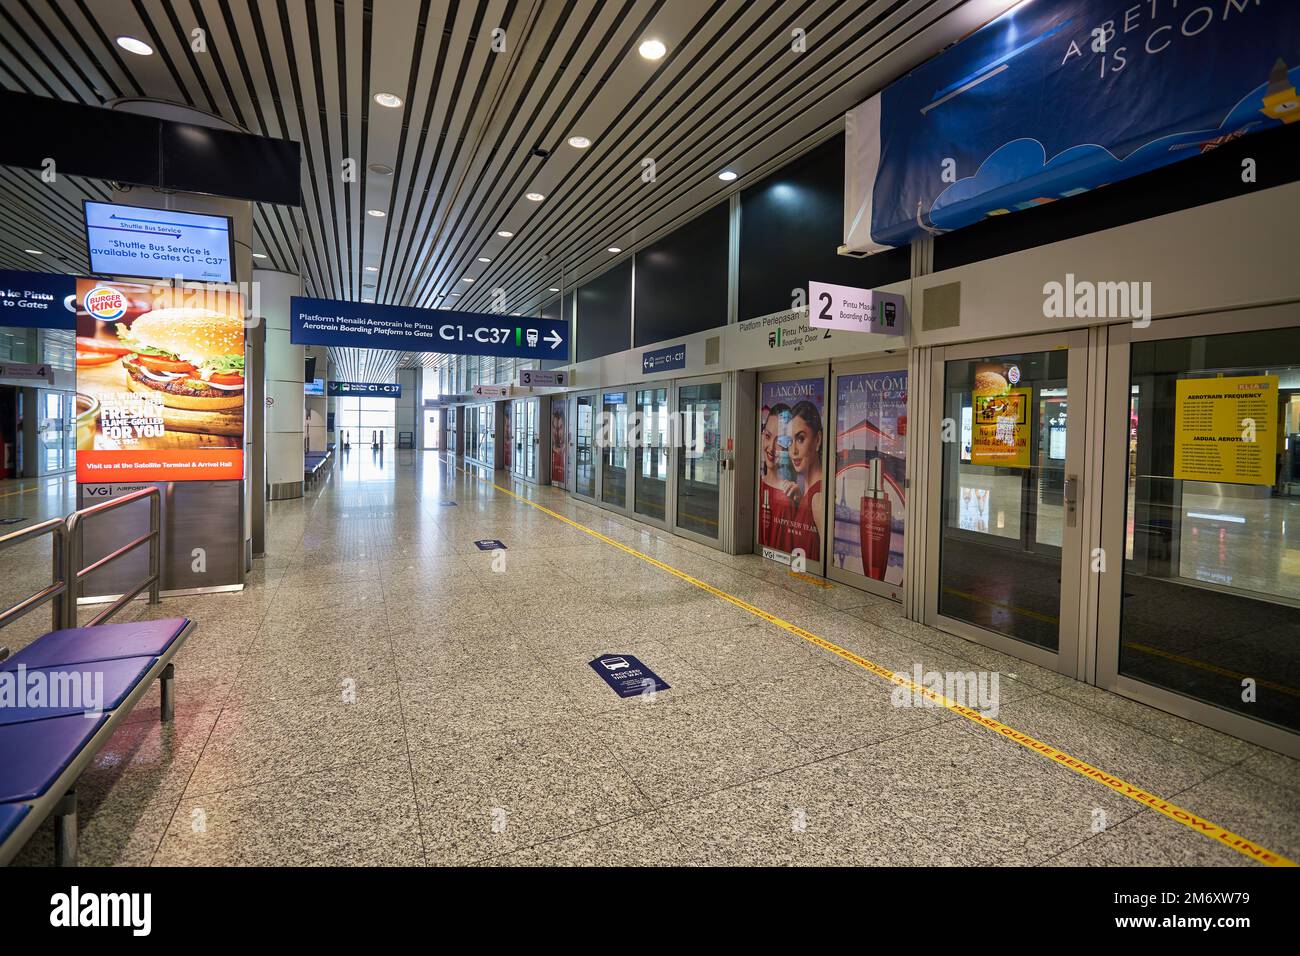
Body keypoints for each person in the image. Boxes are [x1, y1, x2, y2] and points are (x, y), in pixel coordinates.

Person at [780, 399, 824, 561]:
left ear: (817, 440)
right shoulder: (809, 493)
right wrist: (799, 501)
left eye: (800, 439)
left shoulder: (818, 497)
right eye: (790, 441)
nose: (794, 451)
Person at [759, 403, 792, 549]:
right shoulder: (757, 485)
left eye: (779, 441)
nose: (771, 447)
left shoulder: (791, 492)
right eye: (767, 436)